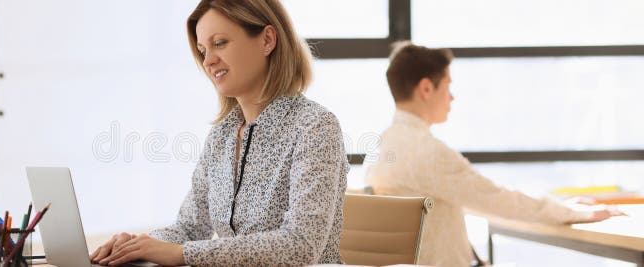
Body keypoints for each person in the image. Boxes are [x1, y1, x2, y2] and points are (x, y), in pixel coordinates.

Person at [89, 0, 349, 266]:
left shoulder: (315, 127)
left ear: (267, 40)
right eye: (202, 50)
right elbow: (189, 228)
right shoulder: (222, 135)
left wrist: (183, 254)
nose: (208, 61)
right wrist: (137, 246)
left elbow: (300, 245)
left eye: (220, 43)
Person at [364, 42, 624, 267]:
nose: (452, 97)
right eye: (448, 86)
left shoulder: (380, 149)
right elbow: (496, 199)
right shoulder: (427, 153)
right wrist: (572, 212)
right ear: (427, 89)